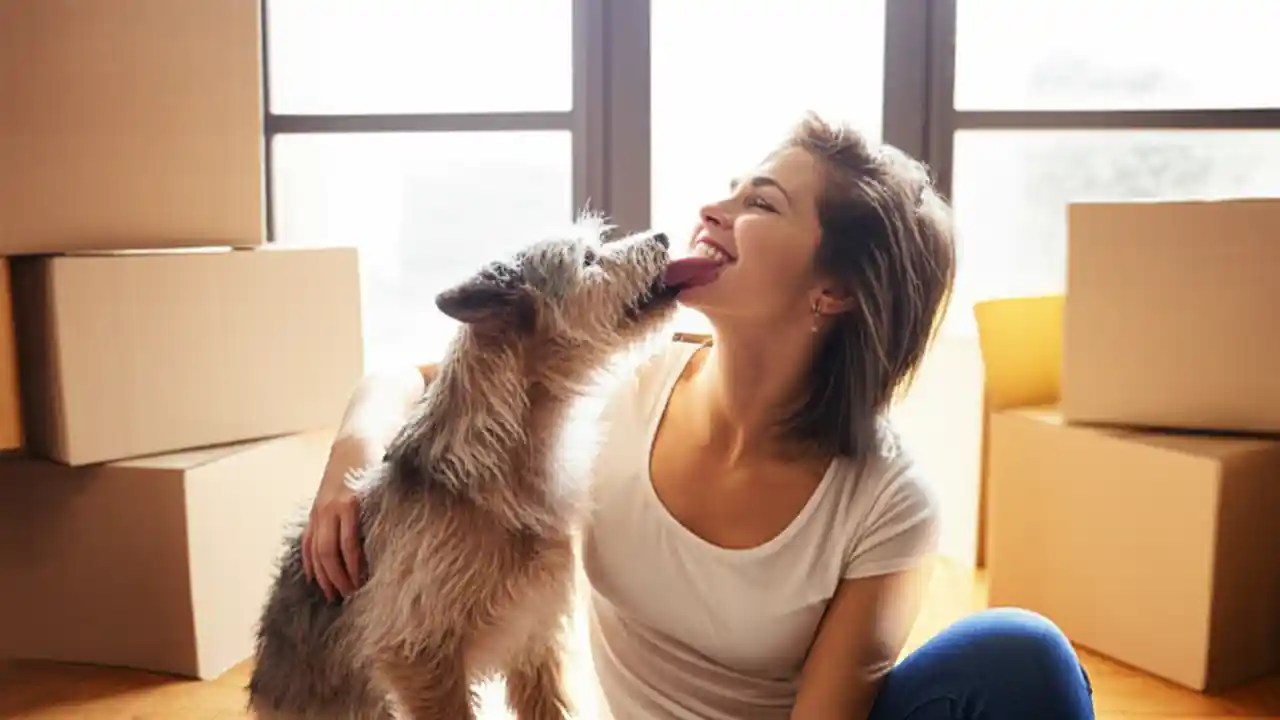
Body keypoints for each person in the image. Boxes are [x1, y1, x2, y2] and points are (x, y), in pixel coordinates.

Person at [298, 114, 1095, 719]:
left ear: (836, 291)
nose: (713, 209)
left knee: (1023, 658)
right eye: (731, 186)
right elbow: (408, 375)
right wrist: (351, 459)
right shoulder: (617, 381)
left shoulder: (886, 503)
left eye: (762, 203)